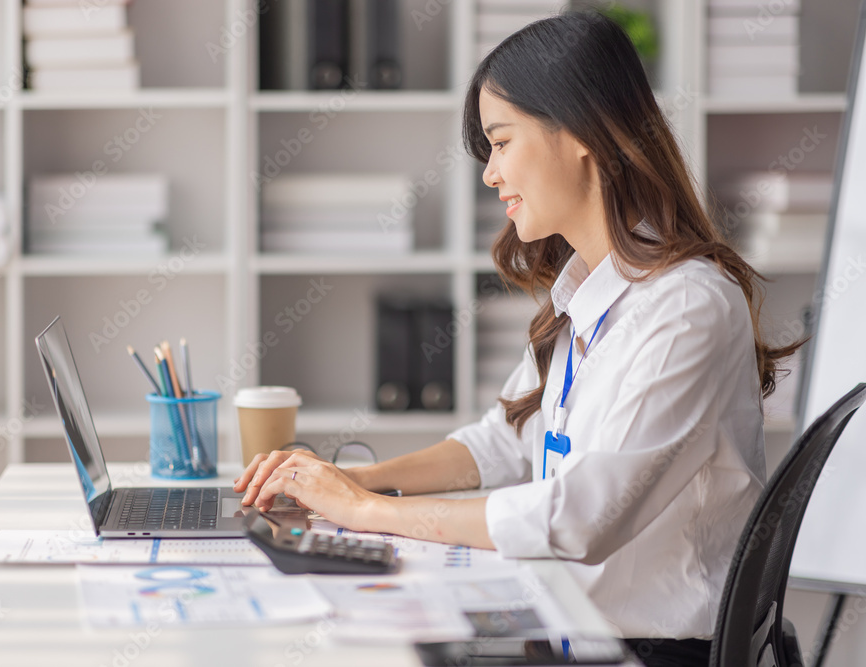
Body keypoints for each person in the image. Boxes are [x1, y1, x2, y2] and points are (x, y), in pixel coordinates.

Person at [235, 11, 799, 667]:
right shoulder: (589, 292)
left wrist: (368, 513)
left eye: (502, 143)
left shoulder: (686, 307)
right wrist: (363, 480)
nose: (490, 174)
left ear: (583, 133)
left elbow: (577, 519)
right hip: (572, 626)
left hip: (650, 652)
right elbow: (503, 439)